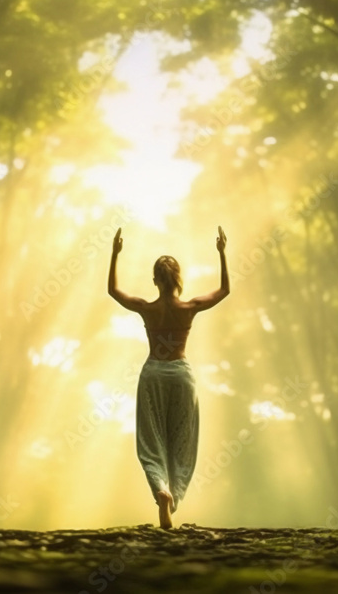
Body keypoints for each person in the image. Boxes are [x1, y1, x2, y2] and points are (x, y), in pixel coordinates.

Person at [107, 226, 230, 529]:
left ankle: (161, 490)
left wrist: (114, 254)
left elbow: (113, 291)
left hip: (153, 374)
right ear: (178, 280)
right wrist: (222, 253)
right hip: (180, 374)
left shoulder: (146, 309)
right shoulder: (190, 308)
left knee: (151, 442)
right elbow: (224, 291)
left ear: (155, 281)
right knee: (182, 441)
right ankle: (172, 494)